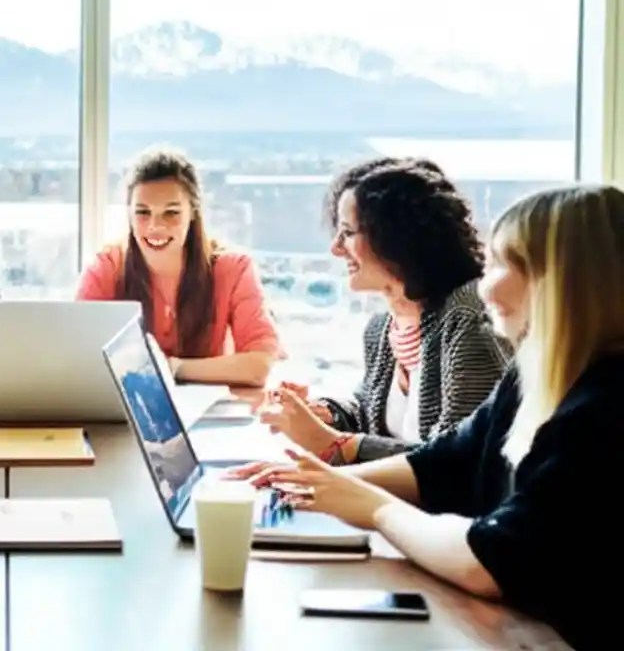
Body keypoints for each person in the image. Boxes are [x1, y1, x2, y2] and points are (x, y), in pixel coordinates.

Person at [231, 185, 624, 650]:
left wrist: (374, 507)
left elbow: (489, 563)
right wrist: (314, 484)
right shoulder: (533, 375)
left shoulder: (605, 412)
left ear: (561, 281)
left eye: (501, 264)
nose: (485, 284)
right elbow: (447, 461)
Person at [259, 158, 510, 462]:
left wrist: (333, 444)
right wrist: (325, 414)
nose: (336, 248)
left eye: (348, 233)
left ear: (396, 237)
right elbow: (368, 411)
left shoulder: (469, 320)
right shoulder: (384, 327)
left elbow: (461, 464)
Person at [77, 147, 281, 386]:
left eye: (171, 213)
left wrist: (172, 367)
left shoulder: (233, 268)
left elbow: (258, 365)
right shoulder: (106, 267)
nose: (155, 226)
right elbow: (79, 357)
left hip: (206, 415)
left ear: (193, 212)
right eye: (143, 212)